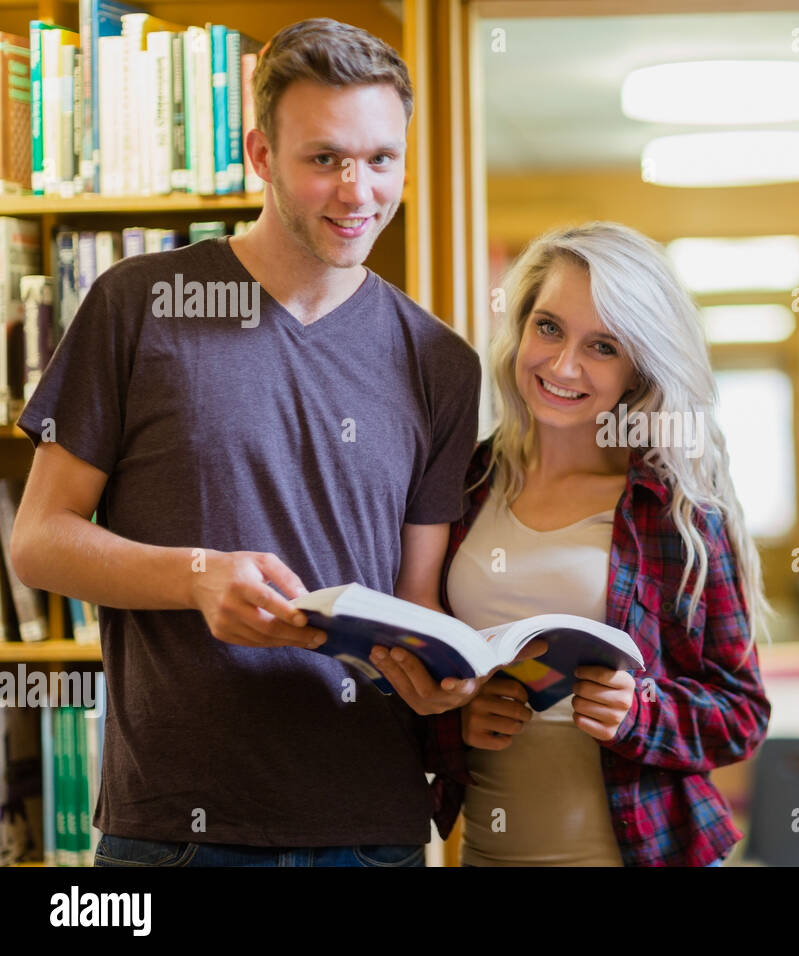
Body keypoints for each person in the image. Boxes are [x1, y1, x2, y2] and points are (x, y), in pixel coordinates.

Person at [10, 18, 515, 867]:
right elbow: (36, 542)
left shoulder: (442, 362)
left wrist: (447, 678)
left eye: (381, 159)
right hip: (174, 830)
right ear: (260, 153)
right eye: (324, 159)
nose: (358, 191)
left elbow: (415, 593)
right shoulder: (137, 304)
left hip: (373, 831)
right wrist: (196, 576)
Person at [426, 222, 772, 866]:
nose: (563, 366)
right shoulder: (461, 484)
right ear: (521, 325)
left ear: (638, 366)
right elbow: (415, 672)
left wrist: (641, 714)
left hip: (645, 853)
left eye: (603, 346)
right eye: (549, 327)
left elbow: (742, 712)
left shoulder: (675, 512)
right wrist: (458, 721)